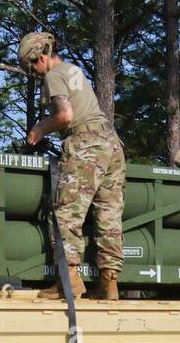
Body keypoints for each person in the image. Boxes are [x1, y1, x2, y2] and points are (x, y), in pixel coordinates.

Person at [19, 31, 125, 301]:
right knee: (109, 216)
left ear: (41, 57)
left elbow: (65, 115)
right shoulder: (73, 69)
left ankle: (70, 282)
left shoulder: (54, 75)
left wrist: (40, 129)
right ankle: (109, 283)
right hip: (111, 143)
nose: (34, 72)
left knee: (66, 212)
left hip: (86, 143)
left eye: (33, 66)